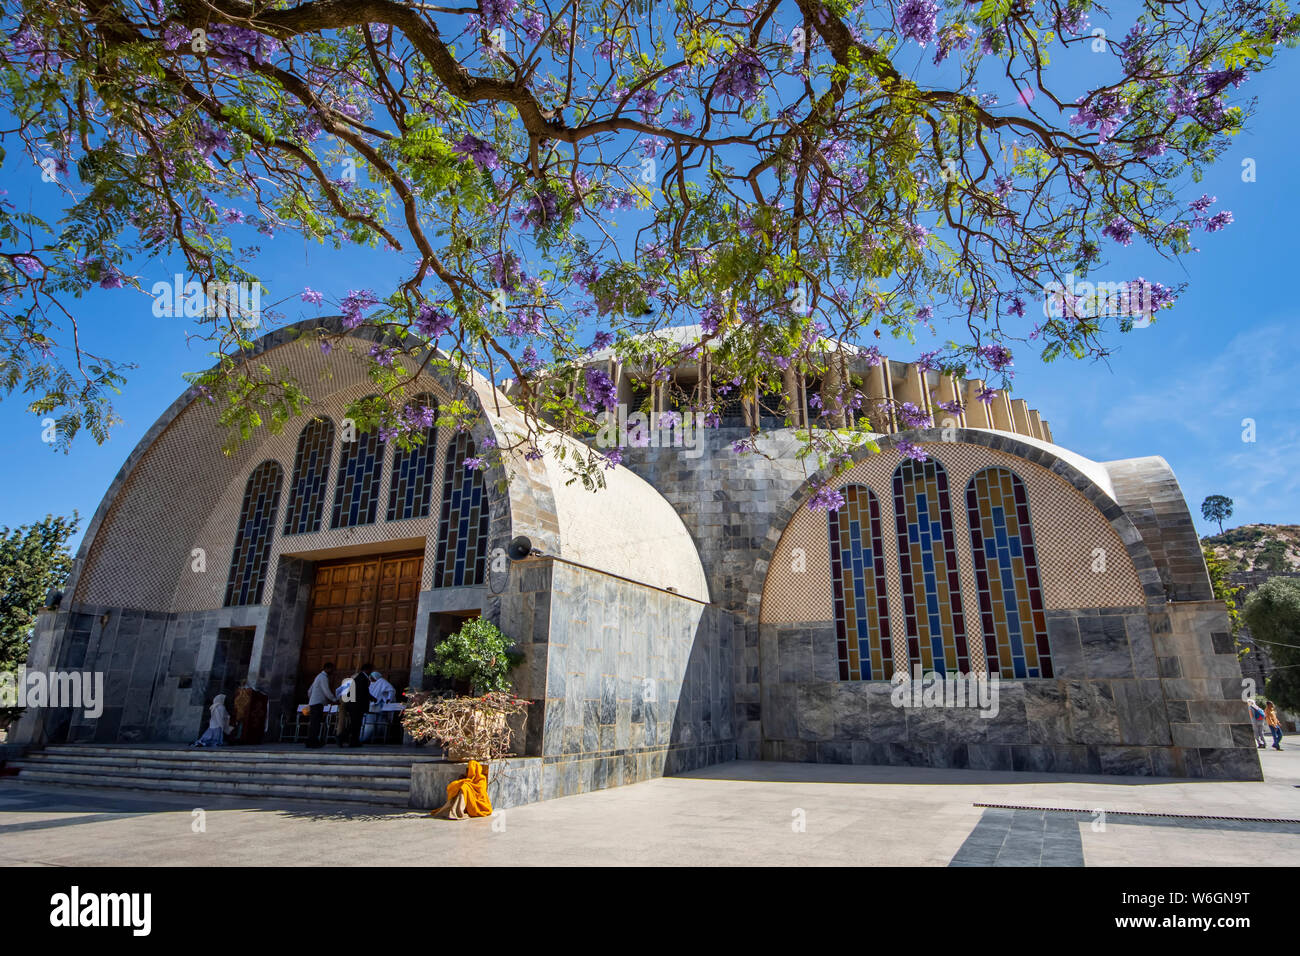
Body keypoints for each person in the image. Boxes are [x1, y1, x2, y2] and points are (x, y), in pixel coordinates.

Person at [305, 662, 336, 748]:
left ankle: (310, 741)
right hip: (317, 703)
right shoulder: (323, 678)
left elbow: (309, 691)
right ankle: (313, 741)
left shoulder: (318, 677)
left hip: (314, 702)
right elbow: (326, 690)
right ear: (328, 668)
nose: (333, 671)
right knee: (316, 723)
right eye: (332, 669)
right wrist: (334, 699)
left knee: (313, 723)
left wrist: (311, 699)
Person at [340, 664, 372, 748]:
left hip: (353, 704)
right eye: (370, 670)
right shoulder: (362, 678)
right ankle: (342, 737)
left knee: (355, 724)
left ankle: (353, 741)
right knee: (355, 724)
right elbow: (364, 692)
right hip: (357, 705)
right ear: (367, 670)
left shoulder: (358, 677)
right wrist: (372, 698)